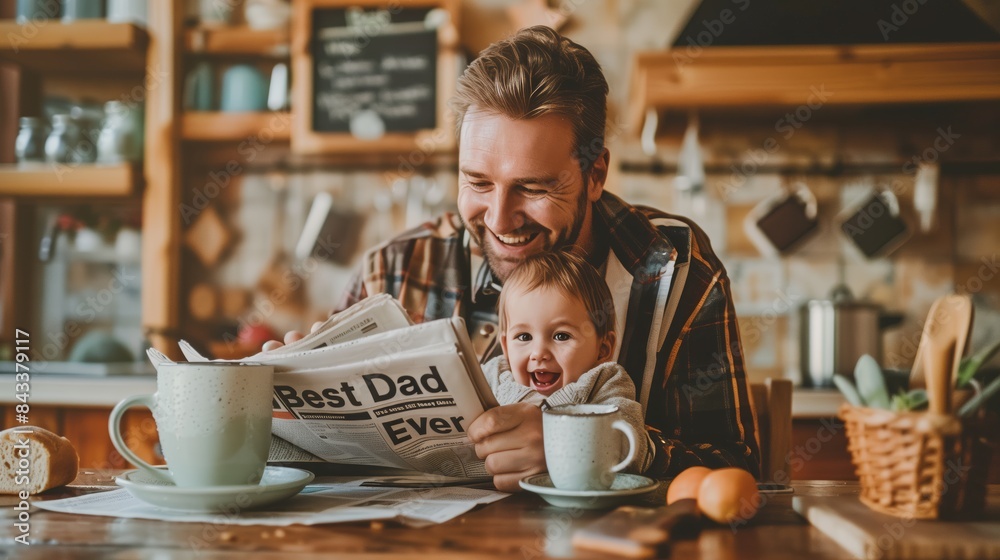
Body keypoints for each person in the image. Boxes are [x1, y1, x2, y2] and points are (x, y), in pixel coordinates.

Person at [267, 25, 760, 492]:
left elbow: (735, 472)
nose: (500, 219)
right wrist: (282, 401)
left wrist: (583, 449)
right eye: (478, 182)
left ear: (595, 174)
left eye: (533, 187)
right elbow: (322, 473)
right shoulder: (393, 270)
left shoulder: (674, 266)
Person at [484, 249, 653, 473]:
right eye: (524, 337)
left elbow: (633, 443)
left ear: (602, 349)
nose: (539, 353)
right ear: (505, 347)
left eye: (561, 336)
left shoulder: (604, 382)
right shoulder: (493, 376)